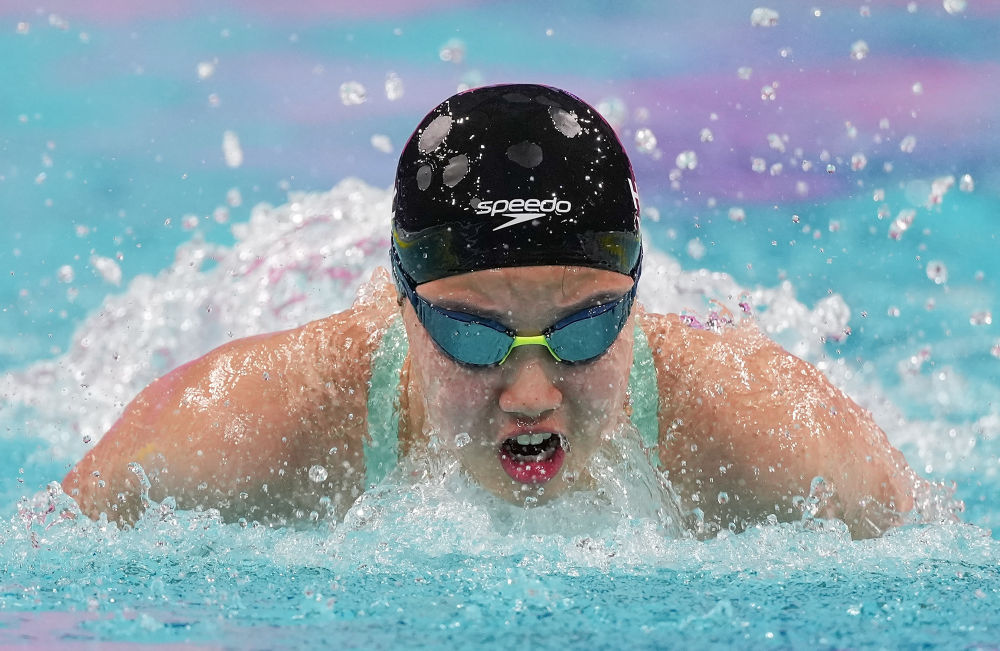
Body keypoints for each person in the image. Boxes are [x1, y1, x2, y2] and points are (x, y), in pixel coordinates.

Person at [63, 83, 930, 538]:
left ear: (637, 298)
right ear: (402, 303)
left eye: (585, 327)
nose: (531, 393)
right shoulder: (235, 429)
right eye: (471, 333)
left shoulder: (774, 440)